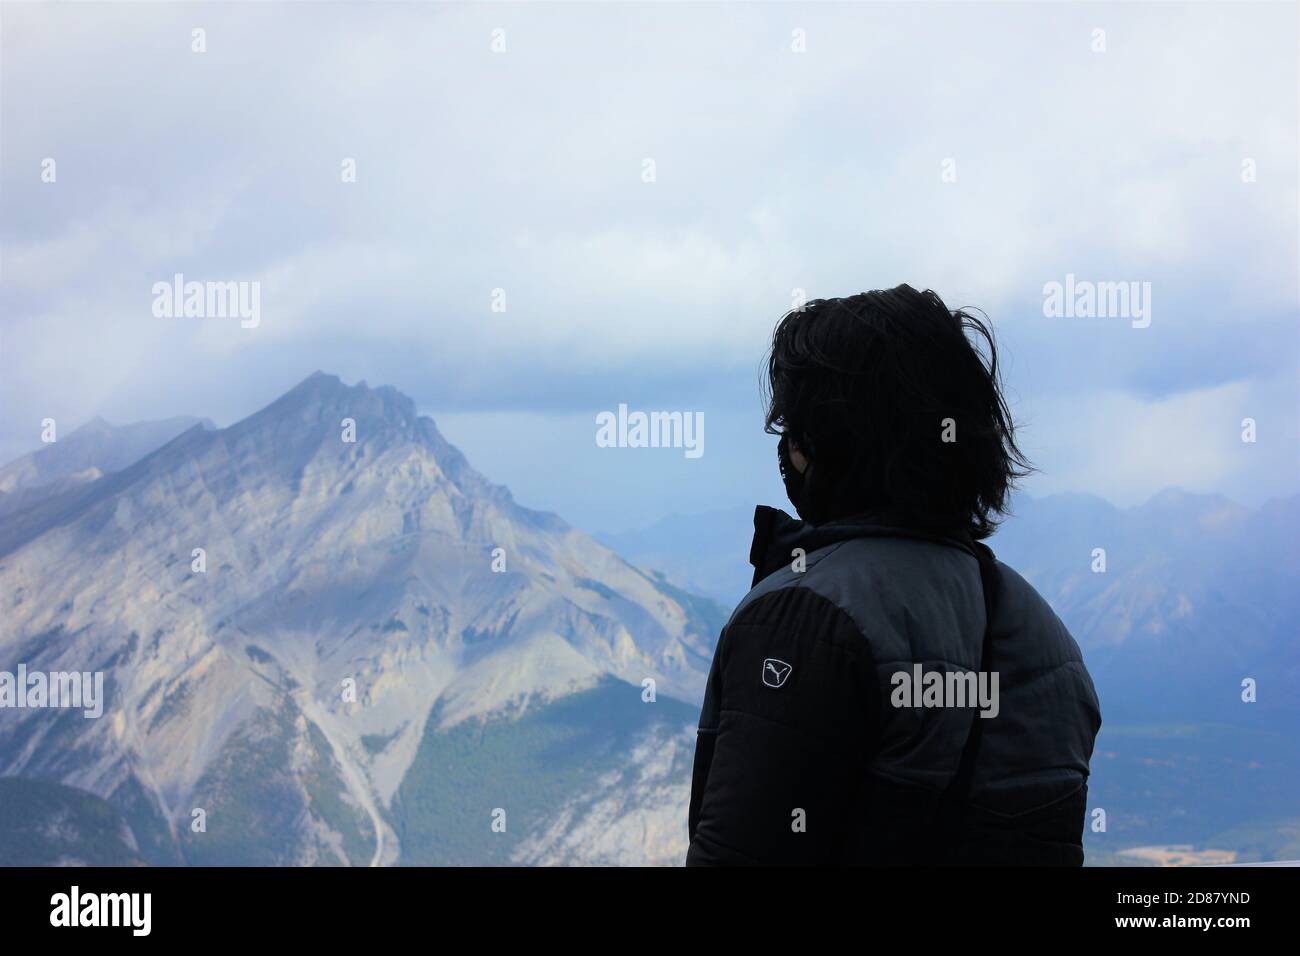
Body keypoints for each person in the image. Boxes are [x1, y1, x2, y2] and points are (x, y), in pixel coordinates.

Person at [685, 285, 1101, 866]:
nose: (788, 448)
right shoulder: (1042, 632)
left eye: (795, 428)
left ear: (833, 440)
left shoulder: (807, 616)